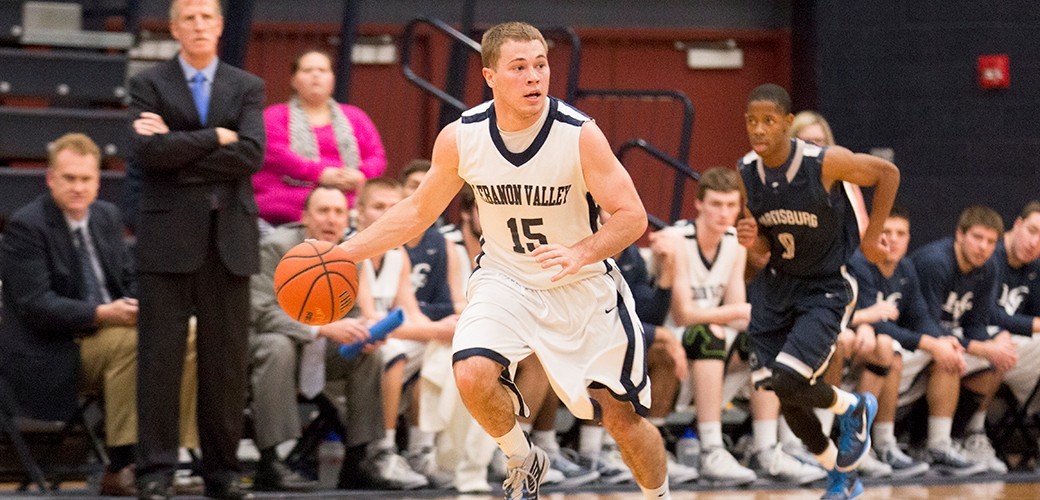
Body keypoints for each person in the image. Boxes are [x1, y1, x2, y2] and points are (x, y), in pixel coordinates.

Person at [336, 21, 669, 500]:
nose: (534, 76)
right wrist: (346, 252)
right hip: (505, 278)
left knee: (621, 419)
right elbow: (416, 212)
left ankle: (659, 495)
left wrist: (581, 251)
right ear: (490, 77)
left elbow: (631, 216)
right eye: (519, 68)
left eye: (541, 65)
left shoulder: (579, 135)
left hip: (580, 285)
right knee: (470, 371)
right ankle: (521, 457)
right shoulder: (461, 137)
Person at [0, 133, 199, 497]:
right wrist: (103, 313)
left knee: (186, 334)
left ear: (97, 182)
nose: (79, 187)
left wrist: (140, 306)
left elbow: (130, 277)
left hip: (112, 330)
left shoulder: (106, 216)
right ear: (50, 179)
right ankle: (121, 463)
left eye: (87, 179)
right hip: (54, 349)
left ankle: (169, 457)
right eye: (69, 178)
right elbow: (36, 306)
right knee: (135, 343)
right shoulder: (26, 227)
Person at [128, 0, 265, 497]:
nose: (199, 25)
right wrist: (214, 138)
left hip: (229, 239)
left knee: (225, 365)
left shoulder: (247, 85)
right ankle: (156, 472)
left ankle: (223, 472)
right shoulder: (148, 83)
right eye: (189, 17)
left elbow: (251, 154)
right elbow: (148, 154)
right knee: (159, 361)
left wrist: (182, 150)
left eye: (207, 17)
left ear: (221, 26)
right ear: (174, 27)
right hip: (166, 239)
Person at [737, 83, 899, 500]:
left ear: (788, 124)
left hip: (823, 289)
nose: (758, 129)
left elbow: (887, 173)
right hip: (776, 288)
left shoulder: (823, 163)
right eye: (751, 121)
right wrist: (751, 240)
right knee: (780, 390)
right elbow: (762, 253)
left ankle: (854, 409)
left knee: (790, 380)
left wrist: (872, 235)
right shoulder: (747, 172)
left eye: (768, 120)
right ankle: (840, 474)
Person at [665, 166, 827, 486]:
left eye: (731, 205)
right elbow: (683, 314)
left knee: (765, 337)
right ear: (698, 204)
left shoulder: (734, 242)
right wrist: (731, 314)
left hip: (716, 333)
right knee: (708, 333)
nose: (724, 213)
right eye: (716, 204)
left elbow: (739, 312)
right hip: (674, 337)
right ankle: (711, 448)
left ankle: (767, 448)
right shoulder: (676, 239)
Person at [248, 185, 401, 491]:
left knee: (370, 354)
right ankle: (271, 461)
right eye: (323, 211)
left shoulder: (350, 254)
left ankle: (358, 460)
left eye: (339, 212)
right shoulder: (276, 247)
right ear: (305, 217)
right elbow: (261, 312)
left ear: (348, 220)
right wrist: (320, 328)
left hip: (321, 353)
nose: (331, 219)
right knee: (278, 347)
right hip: (270, 343)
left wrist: (363, 333)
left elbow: (354, 312)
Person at [845, 206, 967, 477]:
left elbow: (920, 317)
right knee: (892, 350)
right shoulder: (858, 265)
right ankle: (883, 443)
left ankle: (938, 445)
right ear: (872, 235)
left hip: (888, 351)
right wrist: (928, 342)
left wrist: (939, 340)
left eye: (901, 233)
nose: (894, 239)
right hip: (858, 354)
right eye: (886, 232)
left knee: (945, 355)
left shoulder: (906, 268)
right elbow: (875, 323)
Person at [910, 205, 1012, 474]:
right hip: (914, 340)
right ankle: (935, 444)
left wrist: (990, 348)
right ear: (959, 234)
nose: (984, 247)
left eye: (991, 242)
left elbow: (976, 325)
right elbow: (927, 325)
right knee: (949, 357)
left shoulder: (988, 268)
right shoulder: (936, 262)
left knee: (1000, 357)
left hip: (948, 339)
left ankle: (968, 436)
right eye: (978, 238)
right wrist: (979, 347)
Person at [253, 49, 386, 227]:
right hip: (283, 215)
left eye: (322, 70)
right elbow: (278, 155)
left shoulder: (355, 117)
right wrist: (320, 174)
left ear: (332, 79)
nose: (315, 75)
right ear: (293, 80)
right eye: (307, 71)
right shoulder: (274, 116)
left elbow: (377, 156)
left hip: (347, 214)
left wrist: (360, 175)